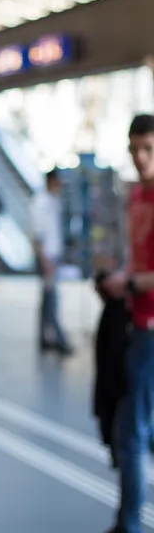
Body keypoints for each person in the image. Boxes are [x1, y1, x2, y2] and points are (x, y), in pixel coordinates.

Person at [100, 114, 154, 533]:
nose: (139, 157)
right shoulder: (136, 196)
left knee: (132, 431)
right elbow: (136, 258)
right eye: (134, 148)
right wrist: (116, 277)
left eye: (148, 149)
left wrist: (130, 282)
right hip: (135, 324)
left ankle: (130, 525)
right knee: (134, 427)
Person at [29, 169, 73, 355]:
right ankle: (58, 338)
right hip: (46, 257)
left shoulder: (54, 202)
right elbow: (37, 233)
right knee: (52, 297)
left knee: (48, 298)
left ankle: (44, 338)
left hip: (53, 256)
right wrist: (44, 259)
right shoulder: (40, 203)